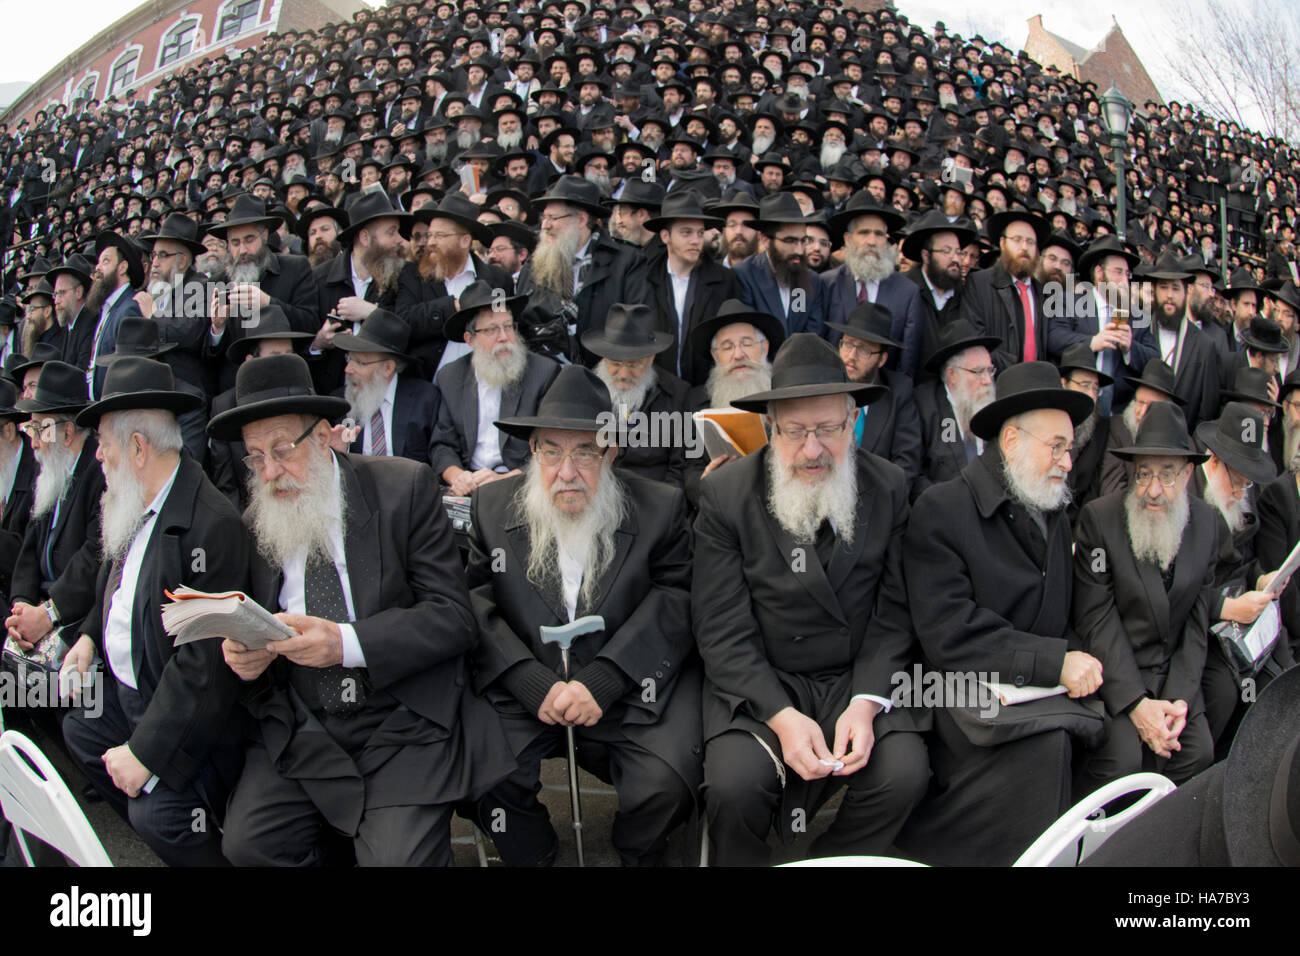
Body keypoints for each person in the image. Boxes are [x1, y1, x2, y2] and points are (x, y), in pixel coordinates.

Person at [211, 353, 513, 866]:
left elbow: (453, 619)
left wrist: (344, 644)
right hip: (306, 723)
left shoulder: (404, 488)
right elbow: (254, 623)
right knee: (248, 846)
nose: (270, 470)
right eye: (255, 457)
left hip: (400, 718)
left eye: (282, 449)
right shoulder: (256, 521)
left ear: (325, 434)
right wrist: (246, 655)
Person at [694, 334, 929, 865]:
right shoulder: (726, 496)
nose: (813, 449)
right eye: (796, 431)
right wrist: (779, 715)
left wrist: (867, 703)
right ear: (770, 428)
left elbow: (895, 614)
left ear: (853, 424)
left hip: (854, 677)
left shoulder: (889, 486)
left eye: (828, 429)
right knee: (734, 787)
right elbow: (720, 629)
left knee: (904, 773)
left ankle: (832, 860)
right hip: (763, 681)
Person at [466, 366, 701, 865]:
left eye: (585, 452)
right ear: (532, 451)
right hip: (524, 685)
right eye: (551, 450)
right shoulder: (490, 506)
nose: (566, 471)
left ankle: (632, 852)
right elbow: (473, 603)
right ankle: (537, 855)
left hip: (631, 687)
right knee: (486, 774)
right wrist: (531, 682)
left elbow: (675, 599)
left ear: (611, 453)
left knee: (668, 782)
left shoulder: (660, 507)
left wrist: (606, 679)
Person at [898, 361, 1101, 866]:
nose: (1067, 462)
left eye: (1069, 448)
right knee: (1048, 748)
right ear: (1010, 441)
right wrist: (1055, 662)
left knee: (1112, 743)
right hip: (959, 697)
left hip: (1036, 693)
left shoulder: (1053, 508)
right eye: (1056, 446)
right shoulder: (941, 509)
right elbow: (951, 635)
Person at [60, 357, 249, 866]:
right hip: (132, 691)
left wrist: (145, 754)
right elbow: (114, 587)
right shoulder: (137, 498)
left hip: (187, 715)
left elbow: (202, 668)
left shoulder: (210, 526)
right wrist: (87, 638)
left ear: (138, 448)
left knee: (158, 817)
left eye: (104, 442)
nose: (97, 455)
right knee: (80, 729)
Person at [1072, 402, 1224, 793]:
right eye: (1143, 474)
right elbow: (1097, 619)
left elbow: (1197, 621)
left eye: (1167, 475)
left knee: (1197, 751)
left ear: (1189, 473)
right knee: (1123, 760)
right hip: (1116, 676)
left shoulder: (1207, 524)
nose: (1153, 490)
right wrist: (1138, 706)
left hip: (1173, 677)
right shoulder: (1100, 520)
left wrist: (1177, 703)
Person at [429, 281, 559, 496]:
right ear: (470, 339)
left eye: (508, 326)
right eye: (491, 329)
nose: (504, 337)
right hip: (469, 485)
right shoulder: (450, 377)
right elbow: (442, 445)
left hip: (521, 485)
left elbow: (552, 449)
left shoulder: (544, 373)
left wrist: (503, 479)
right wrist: (458, 477)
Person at [632, 191, 740, 385]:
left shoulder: (726, 280)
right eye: (686, 232)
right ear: (665, 236)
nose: (696, 240)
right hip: (656, 390)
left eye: (700, 233)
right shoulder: (641, 279)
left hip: (706, 391)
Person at [583, 303, 691, 487]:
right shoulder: (585, 391)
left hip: (655, 498)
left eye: (634, 365)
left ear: (651, 358)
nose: (624, 374)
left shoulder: (676, 394)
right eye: (615, 363)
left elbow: (679, 467)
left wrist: (663, 508)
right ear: (603, 358)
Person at [822, 192, 925, 379]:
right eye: (864, 233)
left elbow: (907, 362)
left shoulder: (908, 292)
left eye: (879, 234)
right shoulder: (826, 284)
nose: (872, 241)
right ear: (847, 238)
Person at [828, 301, 922, 491]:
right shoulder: (823, 387)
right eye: (847, 344)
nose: (851, 355)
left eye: (863, 349)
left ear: (882, 359)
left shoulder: (898, 392)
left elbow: (906, 463)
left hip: (878, 501)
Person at [332, 309, 439, 465]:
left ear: (388, 368)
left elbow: (435, 458)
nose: (348, 369)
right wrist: (337, 454)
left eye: (360, 362)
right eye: (349, 359)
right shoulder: (340, 403)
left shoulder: (425, 399)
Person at [912, 319, 1001, 500]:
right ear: (952, 375)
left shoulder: (993, 405)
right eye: (978, 371)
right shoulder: (926, 406)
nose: (987, 380)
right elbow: (915, 477)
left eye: (989, 370)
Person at [962, 210, 1052, 371]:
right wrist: (1014, 373)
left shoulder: (1044, 293)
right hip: (995, 384)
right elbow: (975, 341)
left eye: (1031, 242)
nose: (1024, 247)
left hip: (1036, 386)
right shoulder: (978, 284)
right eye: (1017, 240)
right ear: (1003, 243)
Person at [734, 192, 828, 337]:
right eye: (790, 241)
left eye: (803, 241)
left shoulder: (810, 280)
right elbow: (749, 333)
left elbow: (809, 331)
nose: (798, 250)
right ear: (765, 240)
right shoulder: (744, 275)